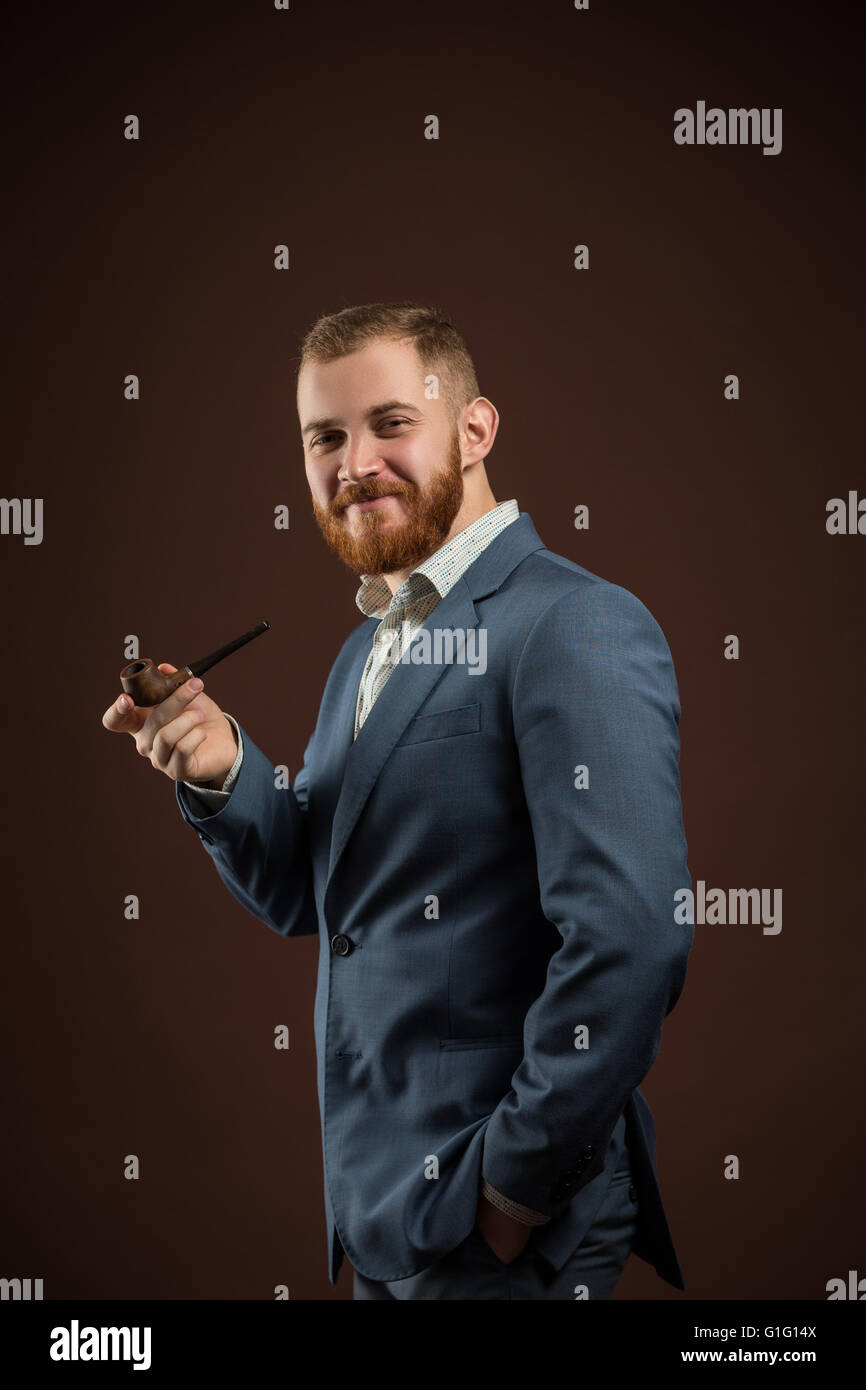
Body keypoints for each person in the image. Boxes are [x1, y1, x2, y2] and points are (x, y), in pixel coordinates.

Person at [102, 301, 693, 1300]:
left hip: (501, 1228)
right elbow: (318, 898)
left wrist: (508, 1193)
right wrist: (217, 763)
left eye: (389, 424)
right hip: (379, 1222)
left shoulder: (576, 623)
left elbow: (630, 942)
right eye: (324, 437)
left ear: (473, 430)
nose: (353, 463)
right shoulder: (364, 650)